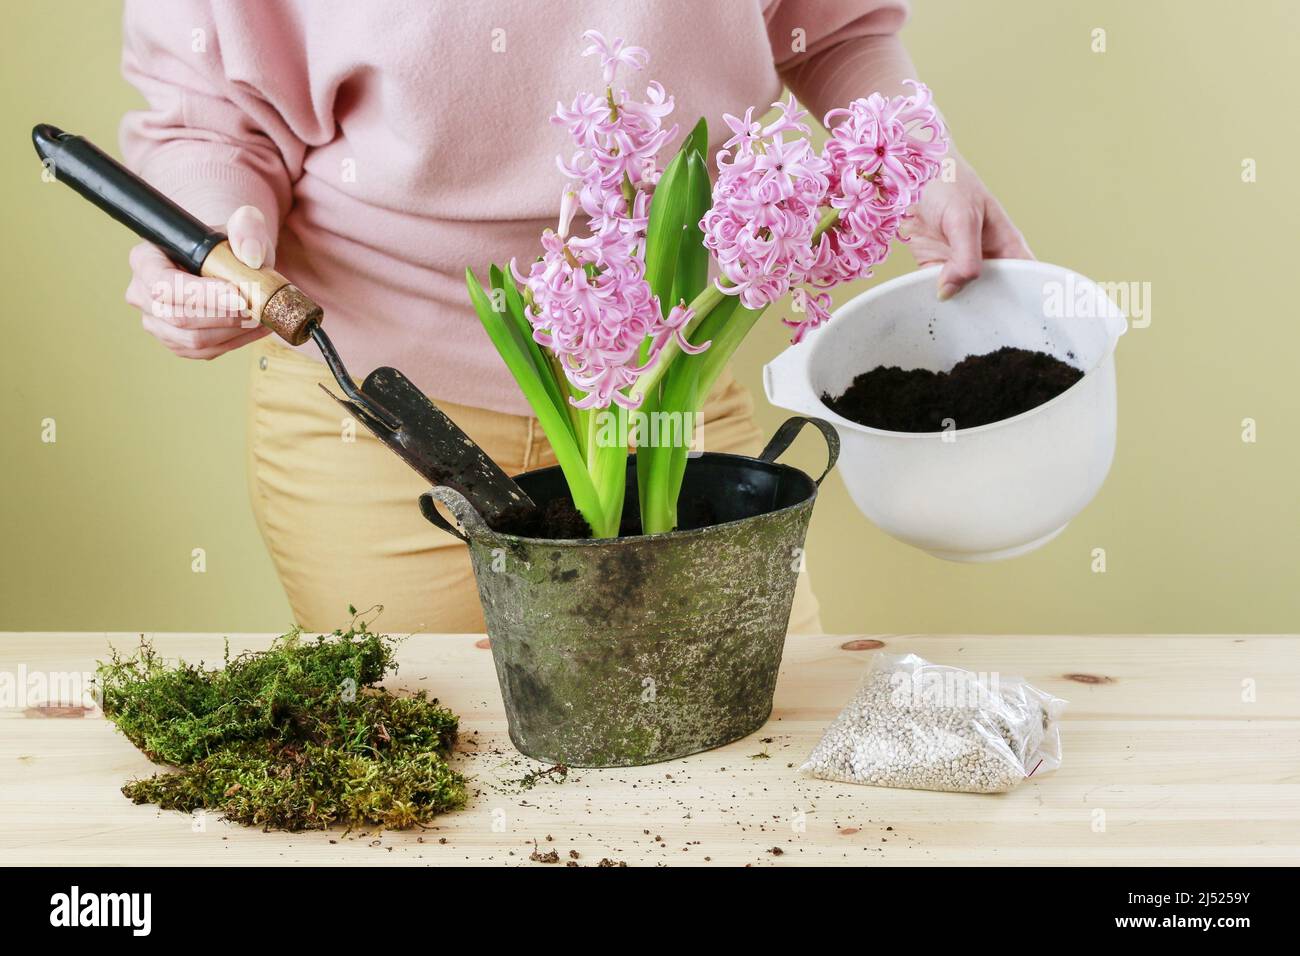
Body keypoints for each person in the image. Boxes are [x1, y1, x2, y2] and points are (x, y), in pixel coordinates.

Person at [120, 0, 1031, 634]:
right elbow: (210, 120)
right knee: (434, 786)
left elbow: (832, 27)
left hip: (668, 396)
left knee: (732, 762)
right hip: (388, 426)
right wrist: (214, 237)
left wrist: (916, 158)